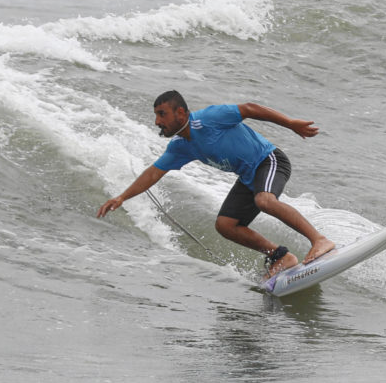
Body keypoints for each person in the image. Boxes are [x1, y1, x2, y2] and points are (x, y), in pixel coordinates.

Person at [98, 91, 338, 276]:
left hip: (269, 160)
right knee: (225, 225)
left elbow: (249, 108)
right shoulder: (181, 146)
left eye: (162, 114)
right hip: (248, 177)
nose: (157, 121)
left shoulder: (209, 118)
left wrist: (291, 124)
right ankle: (280, 256)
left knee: (264, 200)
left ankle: (319, 240)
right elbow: (153, 173)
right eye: (156, 115)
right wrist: (122, 197)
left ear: (180, 112)